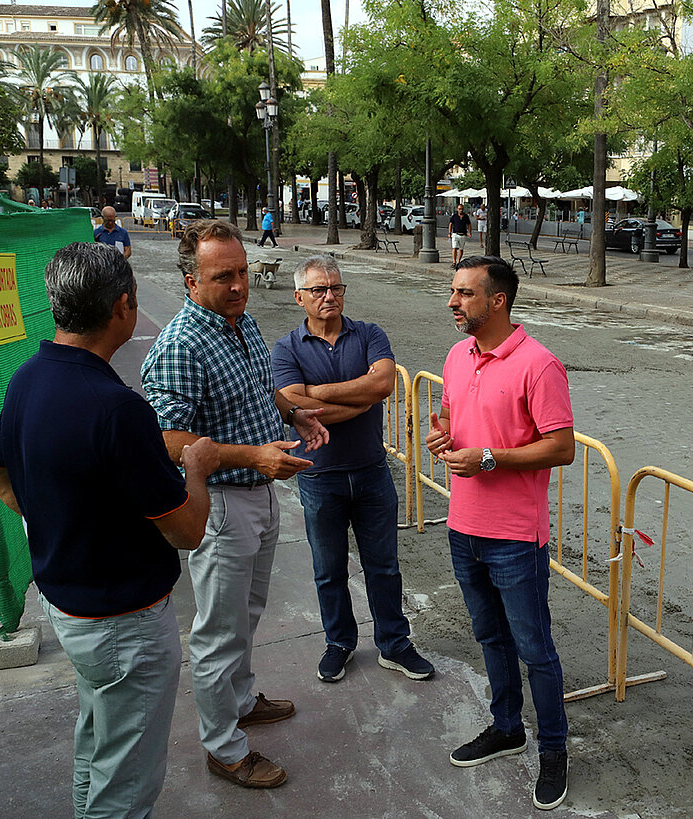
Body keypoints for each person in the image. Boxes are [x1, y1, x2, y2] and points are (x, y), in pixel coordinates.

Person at [0, 242, 220, 817]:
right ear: (122, 306)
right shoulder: (117, 409)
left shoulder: (27, 378)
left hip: (69, 607)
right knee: (127, 781)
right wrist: (198, 466)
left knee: (99, 744)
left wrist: (54, 524)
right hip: (124, 624)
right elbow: (187, 531)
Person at [141, 219, 328, 789]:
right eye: (224, 276)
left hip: (258, 494)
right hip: (221, 505)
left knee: (246, 613)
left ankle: (241, 700)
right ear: (191, 281)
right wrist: (251, 456)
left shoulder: (236, 322)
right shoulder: (181, 344)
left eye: (243, 272)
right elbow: (166, 441)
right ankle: (223, 748)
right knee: (218, 632)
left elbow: (255, 386)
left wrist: (292, 413)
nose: (240, 285)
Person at [425, 256, 575, 811]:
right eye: (453, 291)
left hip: (515, 537)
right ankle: (507, 727)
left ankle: (554, 750)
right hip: (462, 527)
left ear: (498, 301)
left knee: (536, 649)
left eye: (464, 293)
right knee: (490, 636)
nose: (453, 301)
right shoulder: (457, 356)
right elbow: (449, 416)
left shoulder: (539, 365)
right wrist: (442, 436)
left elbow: (562, 447)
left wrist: (489, 457)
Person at [271, 255, 435, 684]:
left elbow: (382, 384)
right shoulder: (287, 348)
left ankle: (394, 644)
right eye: (319, 289)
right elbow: (293, 405)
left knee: (384, 567)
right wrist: (358, 401)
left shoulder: (369, 334)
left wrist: (319, 394)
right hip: (319, 476)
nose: (330, 296)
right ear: (299, 297)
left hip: (371, 472)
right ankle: (339, 642)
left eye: (336, 288)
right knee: (329, 570)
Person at [449, 203, 472, 268]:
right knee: (454, 248)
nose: (461, 210)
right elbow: (450, 224)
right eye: (459, 209)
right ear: (457, 209)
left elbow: (469, 224)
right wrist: (449, 232)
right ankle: (454, 262)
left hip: (463, 234)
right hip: (455, 234)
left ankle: (458, 262)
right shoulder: (454, 216)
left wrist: (469, 232)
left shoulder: (466, 216)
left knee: (461, 248)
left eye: (462, 209)